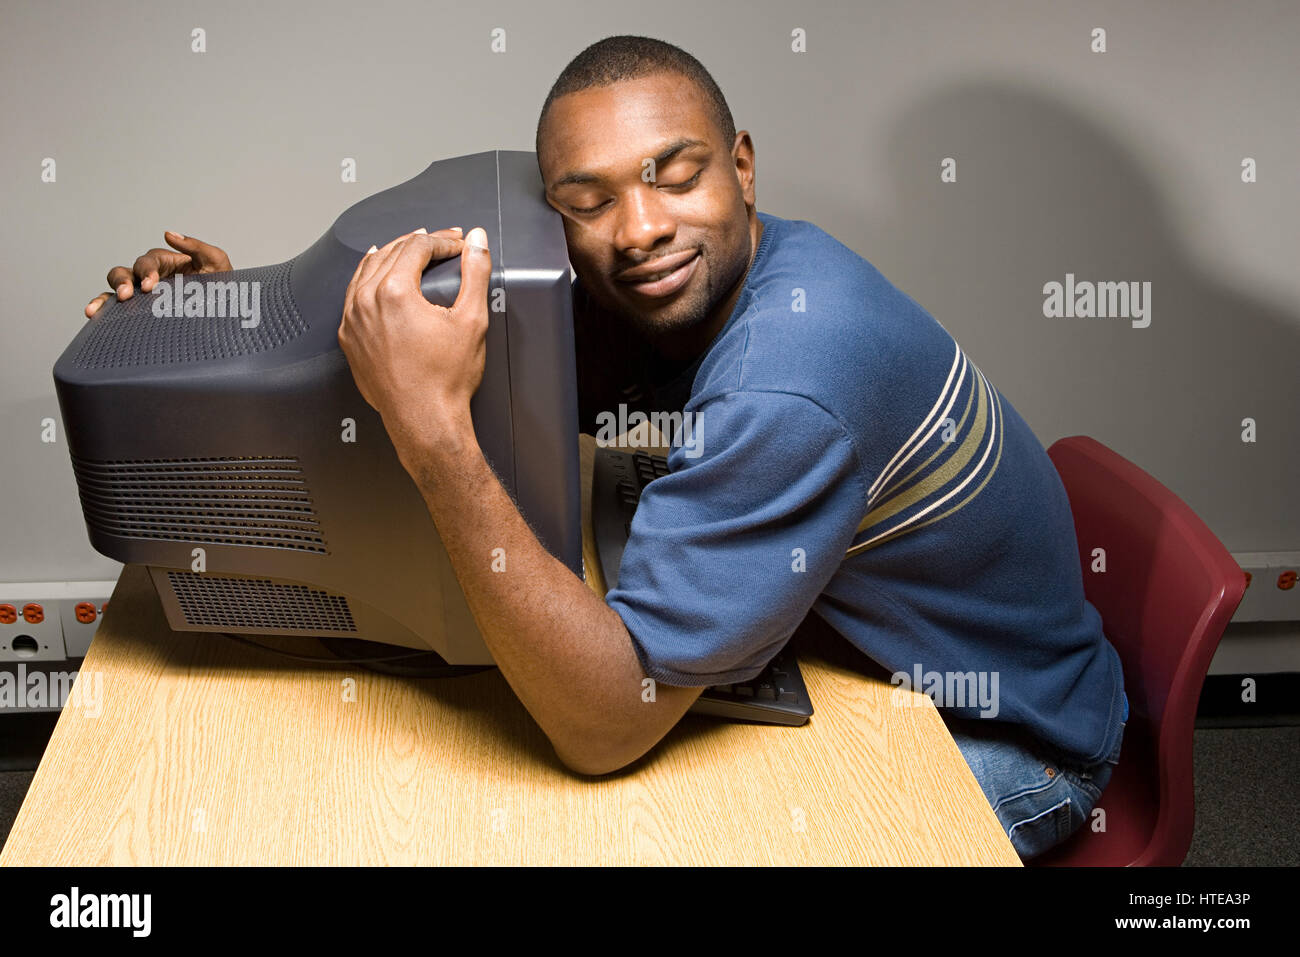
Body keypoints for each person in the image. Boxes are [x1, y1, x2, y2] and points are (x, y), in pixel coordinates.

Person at [83, 35, 1125, 860]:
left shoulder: (792, 373)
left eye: (674, 176)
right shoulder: (702, 290)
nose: (639, 230)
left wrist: (436, 438)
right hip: (867, 663)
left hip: (1007, 747)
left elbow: (604, 728)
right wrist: (223, 324)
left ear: (744, 166)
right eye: (588, 204)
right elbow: (532, 377)